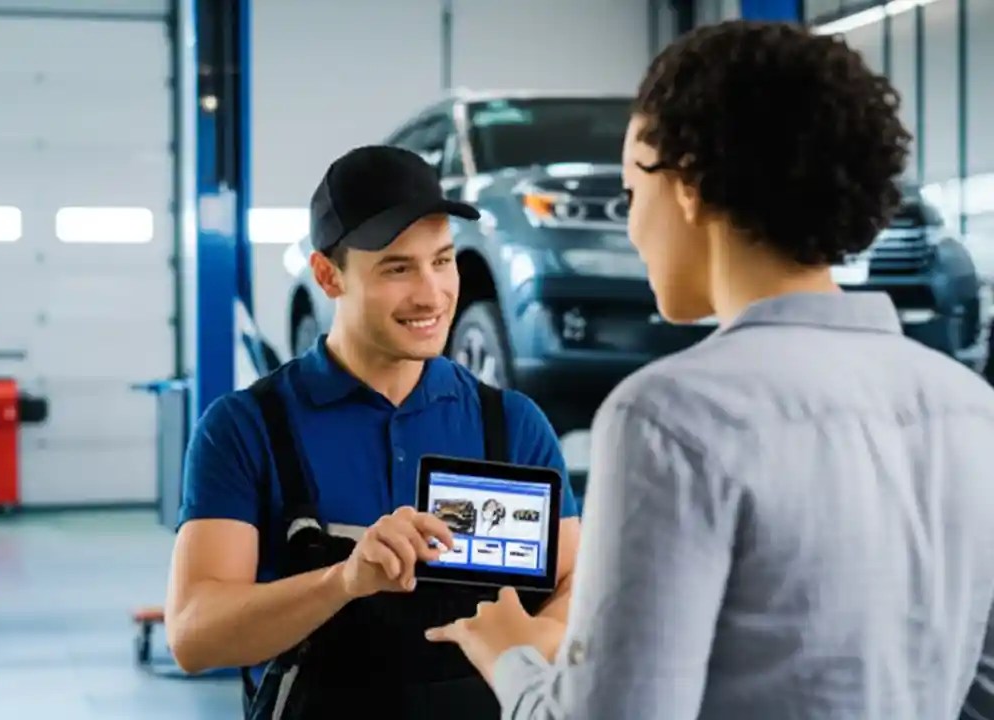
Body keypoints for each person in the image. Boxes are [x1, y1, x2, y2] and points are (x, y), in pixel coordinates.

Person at [425, 20, 994, 720]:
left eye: (633, 189)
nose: (633, 228)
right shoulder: (971, 406)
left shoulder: (669, 415)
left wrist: (506, 651)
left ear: (688, 181)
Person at [163, 144, 582, 719]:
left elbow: (575, 580)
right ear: (328, 275)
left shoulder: (510, 425)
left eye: (442, 260)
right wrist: (344, 580)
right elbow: (193, 636)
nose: (431, 294)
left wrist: (539, 640)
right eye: (397, 268)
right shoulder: (247, 429)